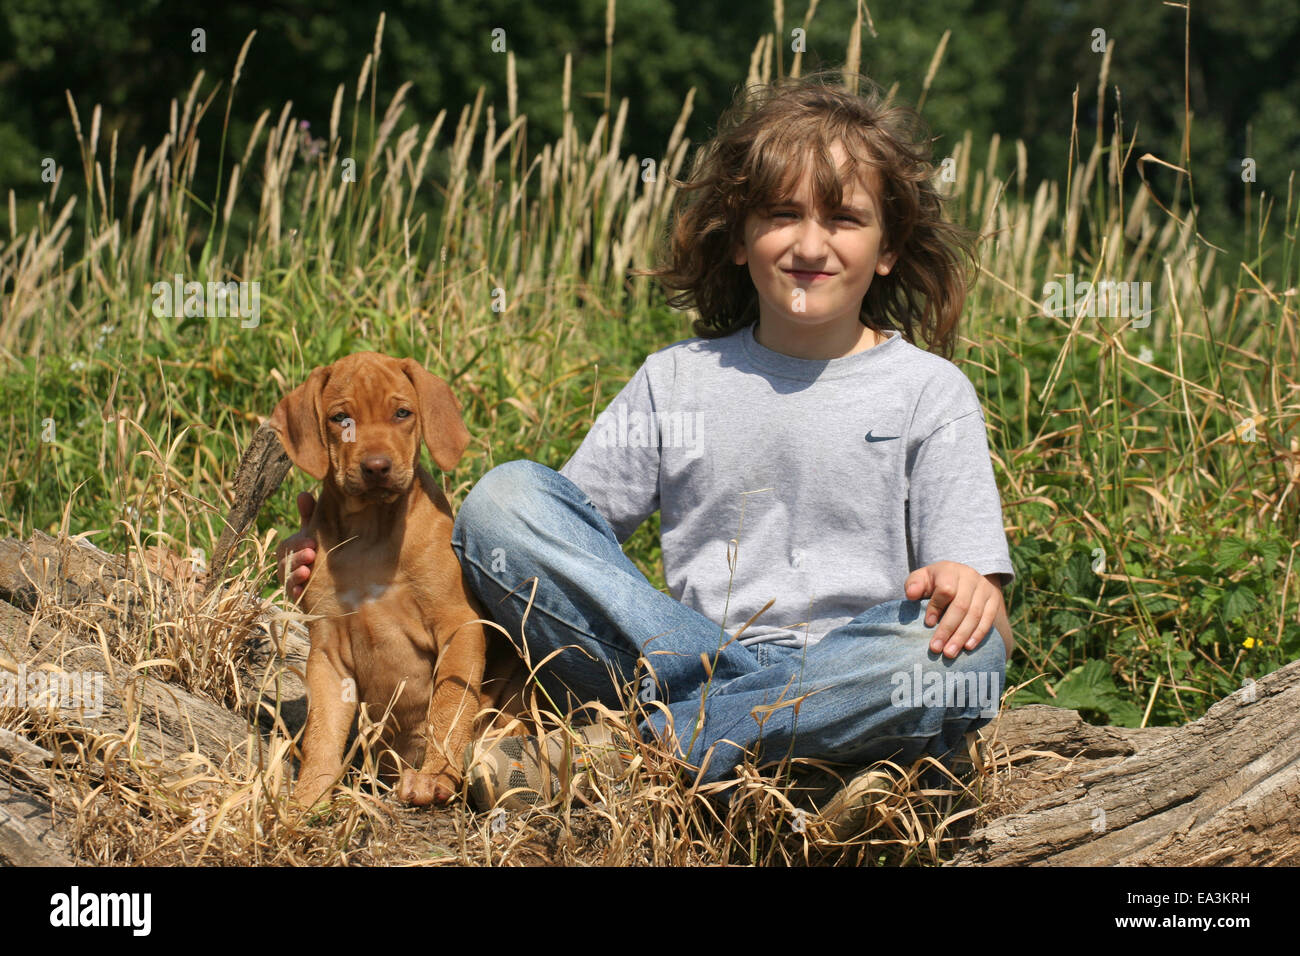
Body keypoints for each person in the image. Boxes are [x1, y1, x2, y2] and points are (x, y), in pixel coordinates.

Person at [277, 70, 1015, 834]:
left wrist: (971, 583)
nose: (809, 243)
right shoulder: (677, 380)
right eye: (783, 214)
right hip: (673, 659)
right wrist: (344, 549)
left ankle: (653, 749)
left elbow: (978, 612)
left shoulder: (931, 391)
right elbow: (540, 554)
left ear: (888, 247)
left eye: (845, 219)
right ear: (737, 237)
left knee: (967, 657)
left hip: (856, 665)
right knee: (501, 502)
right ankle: (779, 741)